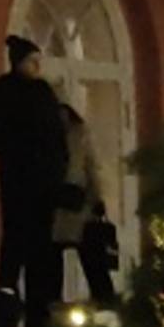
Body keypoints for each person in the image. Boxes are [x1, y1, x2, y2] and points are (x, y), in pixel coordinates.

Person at [0, 36, 69, 327]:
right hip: (28, 181)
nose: (38, 66)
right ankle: (22, 313)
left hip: (29, 180)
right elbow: (51, 139)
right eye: (33, 60)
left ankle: (27, 312)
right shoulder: (22, 95)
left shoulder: (20, 95)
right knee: (26, 245)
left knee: (28, 246)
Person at [54, 105, 116, 304]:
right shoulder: (76, 135)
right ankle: (104, 306)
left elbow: (91, 168)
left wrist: (97, 197)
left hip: (74, 204)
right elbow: (91, 168)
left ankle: (104, 306)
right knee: (91, 263)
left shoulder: (77, 135)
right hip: (67, 204)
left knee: (92, 262)